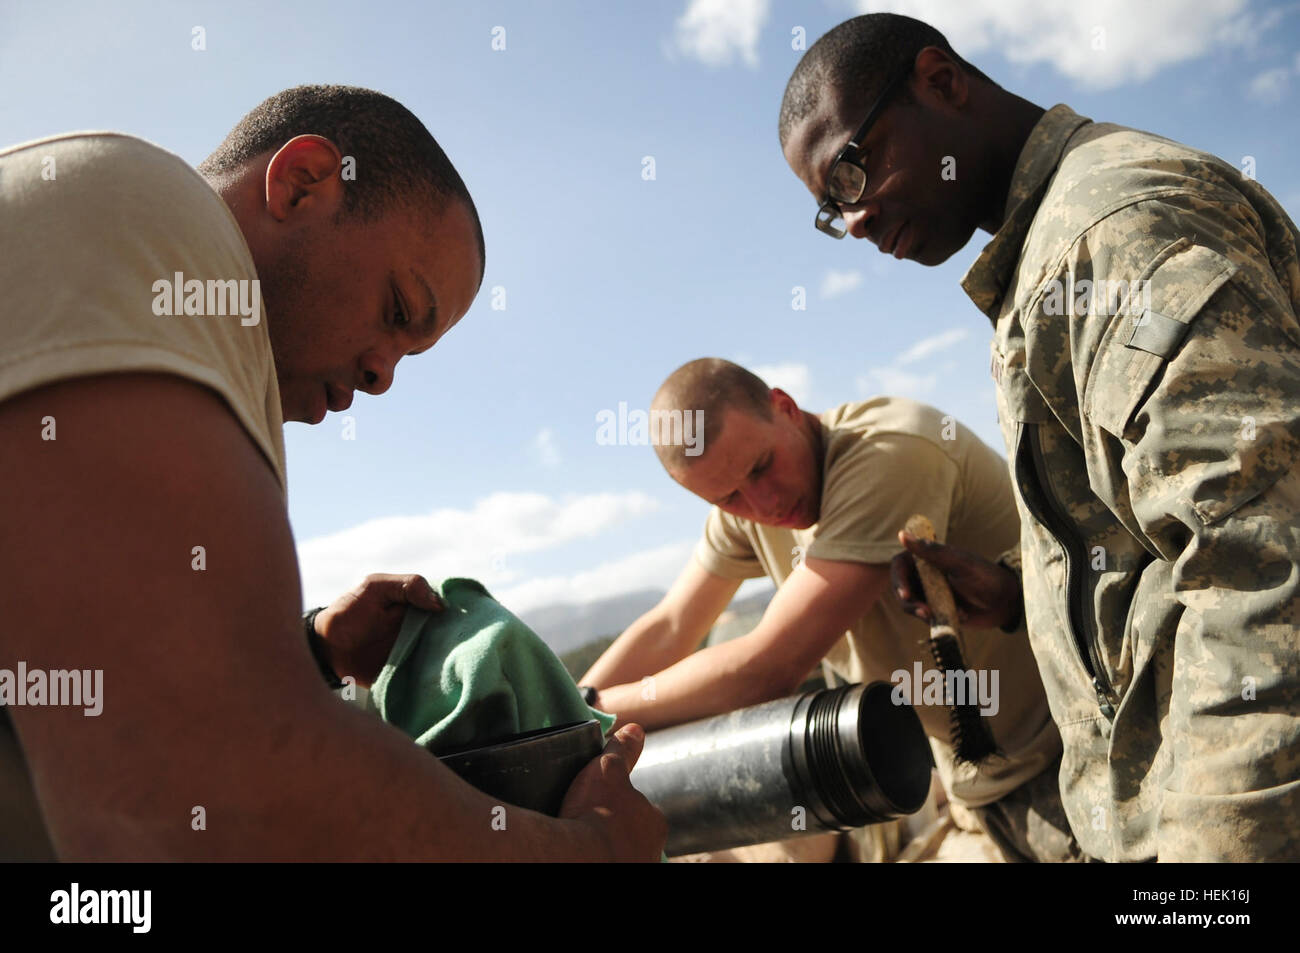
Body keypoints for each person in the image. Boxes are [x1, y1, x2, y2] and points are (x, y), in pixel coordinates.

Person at [0, 85, 664, 861]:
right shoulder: (139, 207)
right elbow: (196, 789)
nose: (383, 378)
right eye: (396, 310)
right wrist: (594, 848)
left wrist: (309, 653)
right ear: (302, 182)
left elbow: (96, 696)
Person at [779, 14, 1300, 861]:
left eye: (849, 170)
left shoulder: (1113, 235)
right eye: (833, 213)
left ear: (941, 81)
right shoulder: (1047, 262)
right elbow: (1162, 533)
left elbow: (1261, 565)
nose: (859, 221)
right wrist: (1018, 590)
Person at [582, 358, 1088, 861]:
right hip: (972, 782)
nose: (764, 506)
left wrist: (590, 714)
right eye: (728, 497)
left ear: (785, 407)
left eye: (762, 467)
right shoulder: (744, 498)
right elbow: (671, 625)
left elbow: (768, 669)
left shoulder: (890, 452)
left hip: (1069, 760)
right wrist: (561, 711)